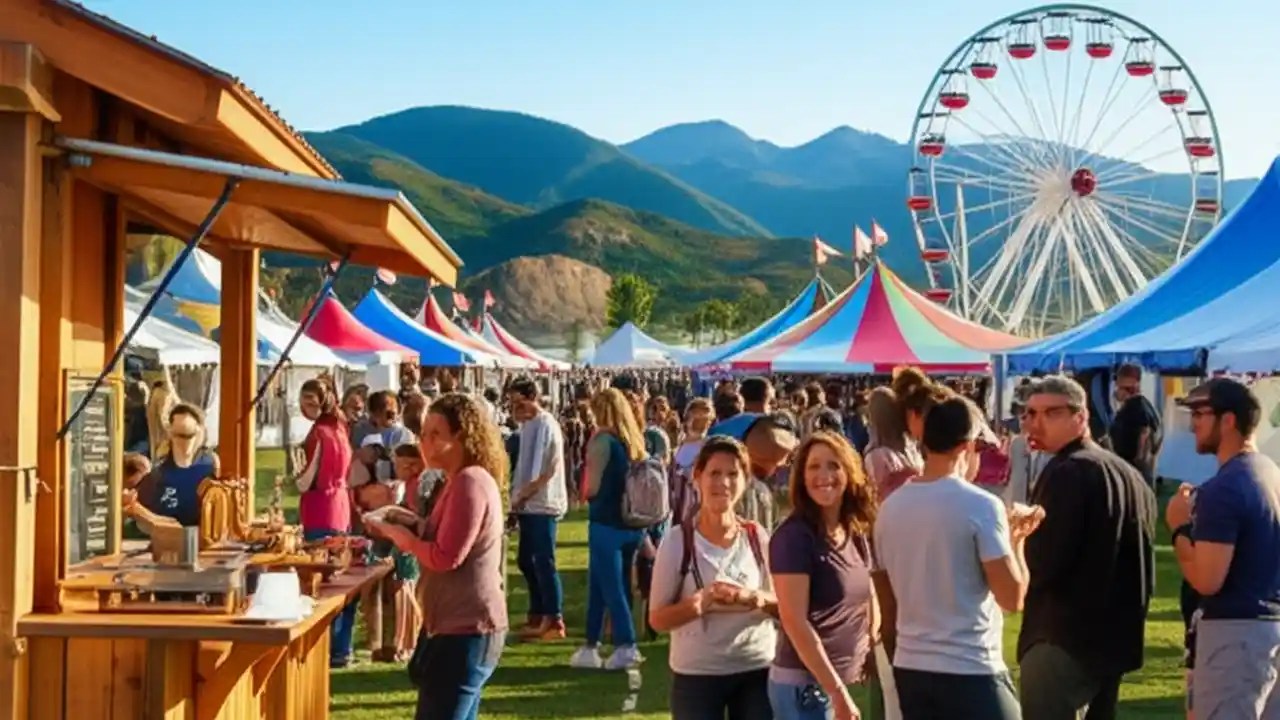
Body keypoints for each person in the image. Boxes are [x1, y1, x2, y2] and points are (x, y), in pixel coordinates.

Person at [875, 395, 1042, 720]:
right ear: (967, 446)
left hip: (912, 666)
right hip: (971, 667)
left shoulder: (890, 508)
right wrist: (1017, 542)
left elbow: (887, 602)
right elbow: (1012, 597)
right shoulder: (979, 505)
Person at [1017, 375, 1157, 720]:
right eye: (1030, 413)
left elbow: (1043, 563)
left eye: (1050, 413)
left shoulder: (1069, 471)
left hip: (1062, 638)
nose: (1035, 422)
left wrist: (1015, 538)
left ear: (1081, 417)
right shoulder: (1129, 474)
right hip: (1112, 640)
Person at [365, 393, 508, 720]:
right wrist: (412, 523)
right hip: (459, 628)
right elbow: (446, 535)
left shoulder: (469, 482)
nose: (424, 444)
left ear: (461, 437)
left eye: (435, 435)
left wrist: (399, 536)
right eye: (423, 434)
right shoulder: (458, 480)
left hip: (466, 630)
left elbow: (446, 556)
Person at [1166, 378, 1280, 719]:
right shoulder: (1271, 474)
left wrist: (1179, 527)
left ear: (1228, 420)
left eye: (1200, 413)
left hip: (1236, 635)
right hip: (1269, 627)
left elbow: (1207, 579)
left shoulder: (1224, 488)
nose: (1192, 424)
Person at [649, 436, 779, 720]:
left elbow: (783, 605)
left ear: (745, 481)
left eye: (733, 474)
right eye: (715, 473)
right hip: (698, 674)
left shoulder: (757, 537)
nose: (724, 483)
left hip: (756, 668)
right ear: (698, 477)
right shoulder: (677, 542)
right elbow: (657, 619)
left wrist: (752, 597)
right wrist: (699, 603)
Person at [769, 431, 878, 720]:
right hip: (806, 690)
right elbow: (794, 620)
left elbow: (869, 594)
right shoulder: (794, 537)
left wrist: (869, 645)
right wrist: (837, 693)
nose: (823, 475)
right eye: (814, 466)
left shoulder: (853, 532)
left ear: (848, 471)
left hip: (839, 683)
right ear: (802, 477)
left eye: (833, 465)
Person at [570, 388, 647, 671]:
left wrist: (583, 488)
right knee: (605, 585)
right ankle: (591, 643)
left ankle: (626, 645)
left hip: (605, 522)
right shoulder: (632, 441)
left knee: (610, 586)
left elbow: (593, 486)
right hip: (631, 523)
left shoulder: (602, 441)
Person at [292, 377, 358, 668]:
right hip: (341, 505)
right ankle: (343, 647)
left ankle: (326, 647)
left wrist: (295, 475)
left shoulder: (318, 432)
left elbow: (307, 481)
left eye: (308, 401)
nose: (305, 407)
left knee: (319, 578)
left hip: (321, 507)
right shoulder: (340, 426)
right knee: (340, 576)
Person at [507, 377, 569, 641]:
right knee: (525, 560)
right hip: (527, 503)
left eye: (518, 402)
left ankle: (553, 617)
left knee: (544, 560)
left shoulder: (545, 424)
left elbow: (546, 469)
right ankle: (537, 610)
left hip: (542, 503)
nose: (514, 408)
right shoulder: (528, 427)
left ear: (531, 398)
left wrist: (525, 494)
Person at [136, 404, 219, 527]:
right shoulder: (157, 475)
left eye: (190, 435)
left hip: (205, 541)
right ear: (170, 433)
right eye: (180, 435)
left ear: (200, 434)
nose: (186, 442)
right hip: (166, 542)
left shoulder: (212, 469)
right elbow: (143, 521)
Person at [1108, 364, 1163, 489]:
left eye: (1120, 382)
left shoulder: (1138, 408)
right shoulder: (1136, 407)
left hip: (1135, 471)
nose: (1117, 387)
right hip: (1131, 468)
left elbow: (1145, 433)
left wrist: (1139, 459)